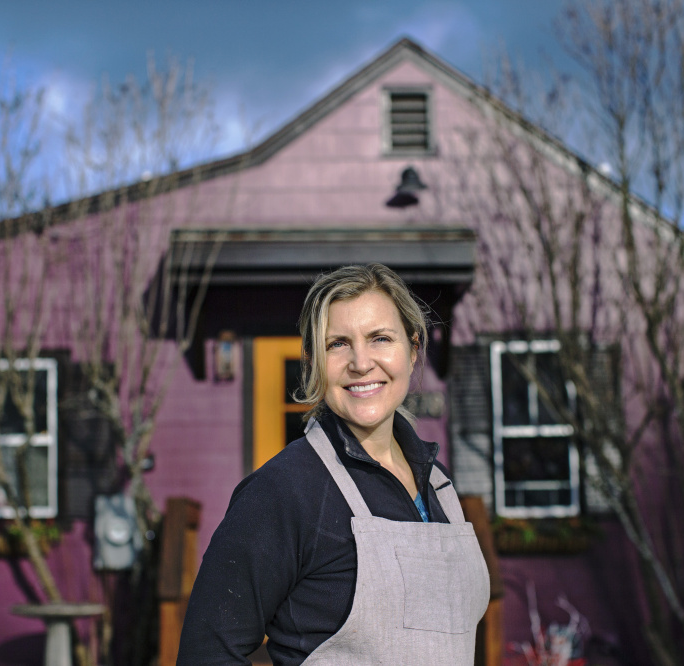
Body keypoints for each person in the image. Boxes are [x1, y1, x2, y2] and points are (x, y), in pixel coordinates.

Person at [177, 263, 489, 665]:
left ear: (412, 351)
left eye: (380, 338)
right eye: (338, 343)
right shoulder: (284, 491)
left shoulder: (440, 486)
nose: (361, 362)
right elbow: (208, 653)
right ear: (312, 362)